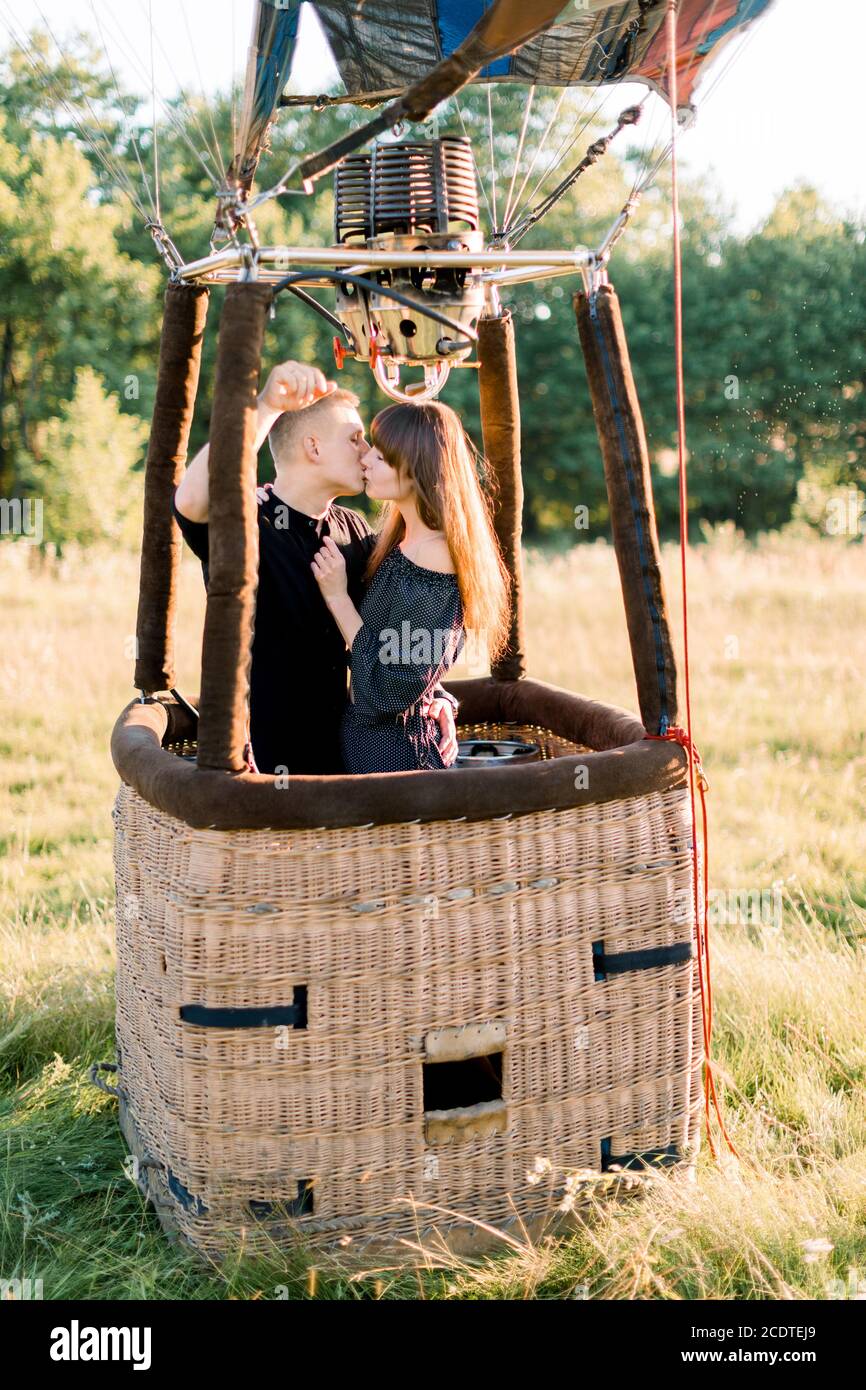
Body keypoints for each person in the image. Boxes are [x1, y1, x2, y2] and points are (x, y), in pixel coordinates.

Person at [173, 361, 458, 775]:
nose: (368, 452)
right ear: (314, 448)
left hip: (347, 761)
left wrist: (434, 694)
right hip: (265, 765)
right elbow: (190, 499)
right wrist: (268, 405)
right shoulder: (249, 525)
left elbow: (396, 633)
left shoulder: (355, 531)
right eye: (355, 439)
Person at [311, 400, 510, 773]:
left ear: (417, 471)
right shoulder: (402, 543)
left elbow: (388, 690)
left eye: (382, 457)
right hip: (369, 752)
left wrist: (338, 598)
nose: (366, 460)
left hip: (396, 761)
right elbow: (415, 663)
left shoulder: (435, 558)